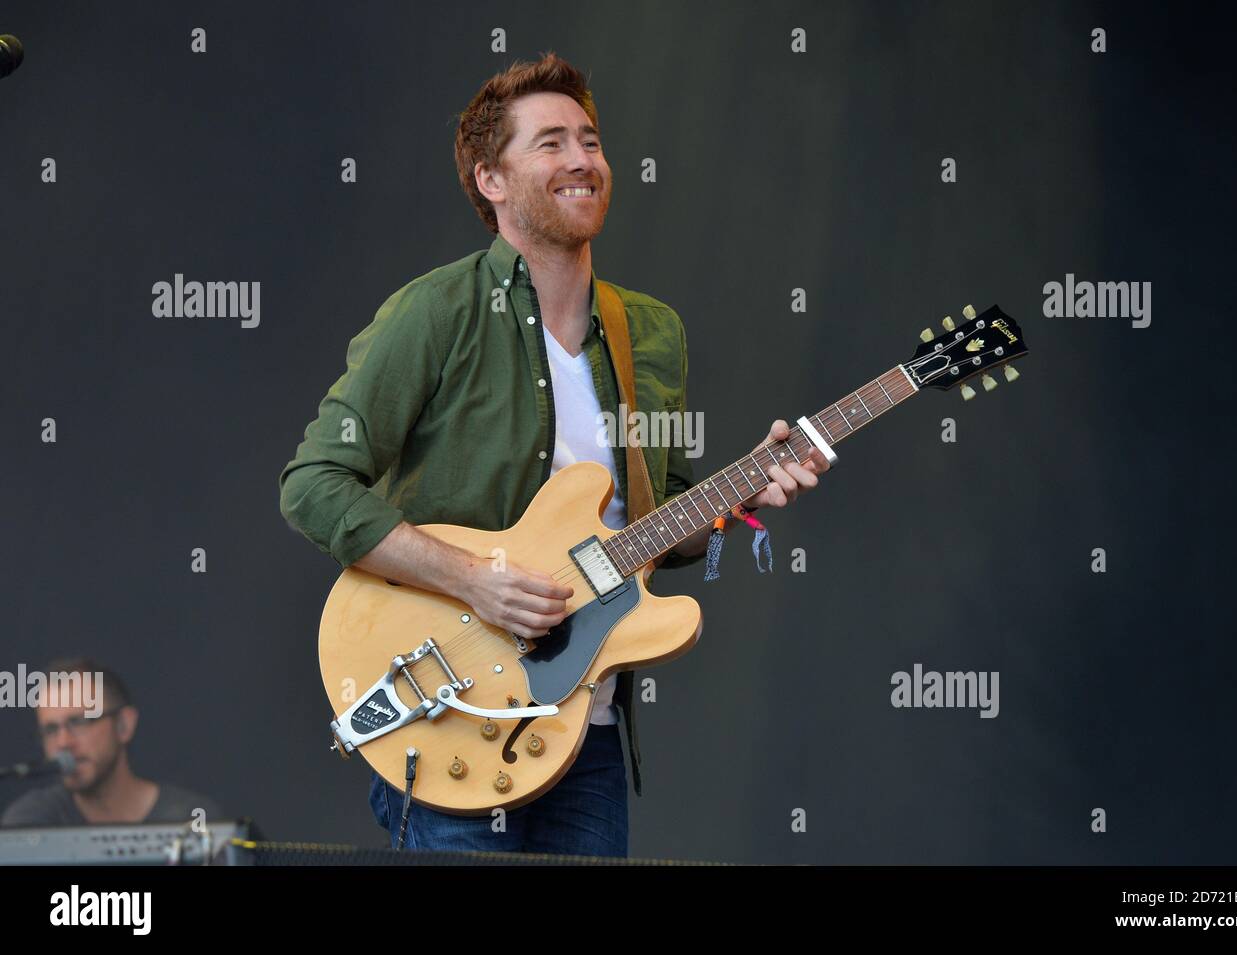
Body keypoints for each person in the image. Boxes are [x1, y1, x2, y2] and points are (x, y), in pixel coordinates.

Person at [278, 52, 826, 856]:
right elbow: (314, 485)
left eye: (591, 141)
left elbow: (655, 530)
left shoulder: (652, 334)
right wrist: (477, 582)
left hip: (586, 733)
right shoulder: (437, 312)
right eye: (551, 143)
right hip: (457, 714)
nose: (581, 160)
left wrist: (743, 493)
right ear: (490, 181)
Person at [1, 658, 223, 828]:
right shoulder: (29, 821)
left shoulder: (191, 817)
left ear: (123, 725)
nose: (63, 742)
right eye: (50, 730)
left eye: (79, 722)